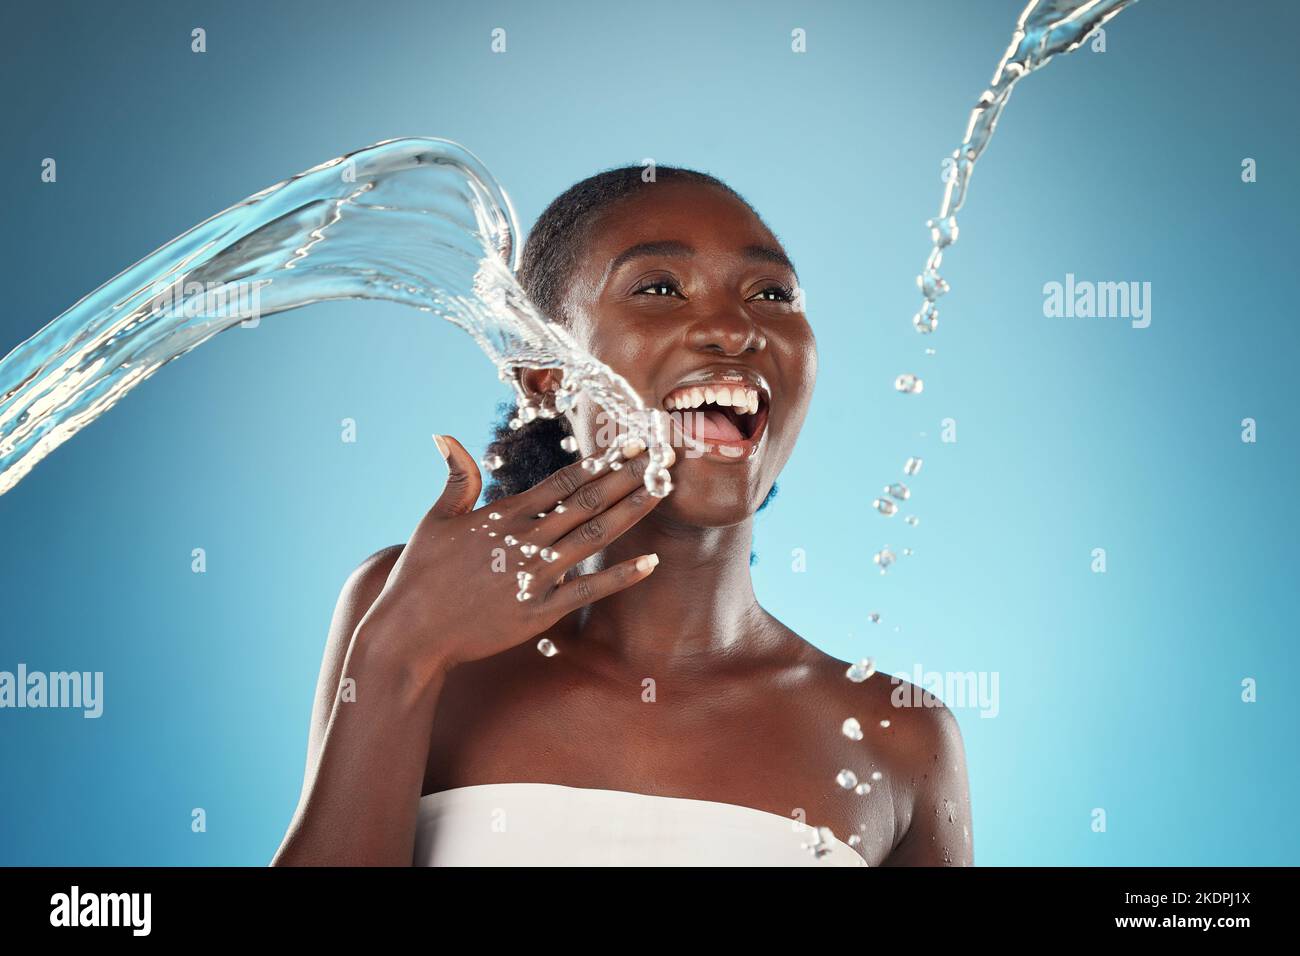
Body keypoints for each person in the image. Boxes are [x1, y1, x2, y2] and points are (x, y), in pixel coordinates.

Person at [272, 165, 973, 866]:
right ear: (544, 372)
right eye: (660, 289)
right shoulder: (402, 608)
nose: (735, 329)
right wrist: (400, 653)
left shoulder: (900, 736)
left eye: (773, 294)